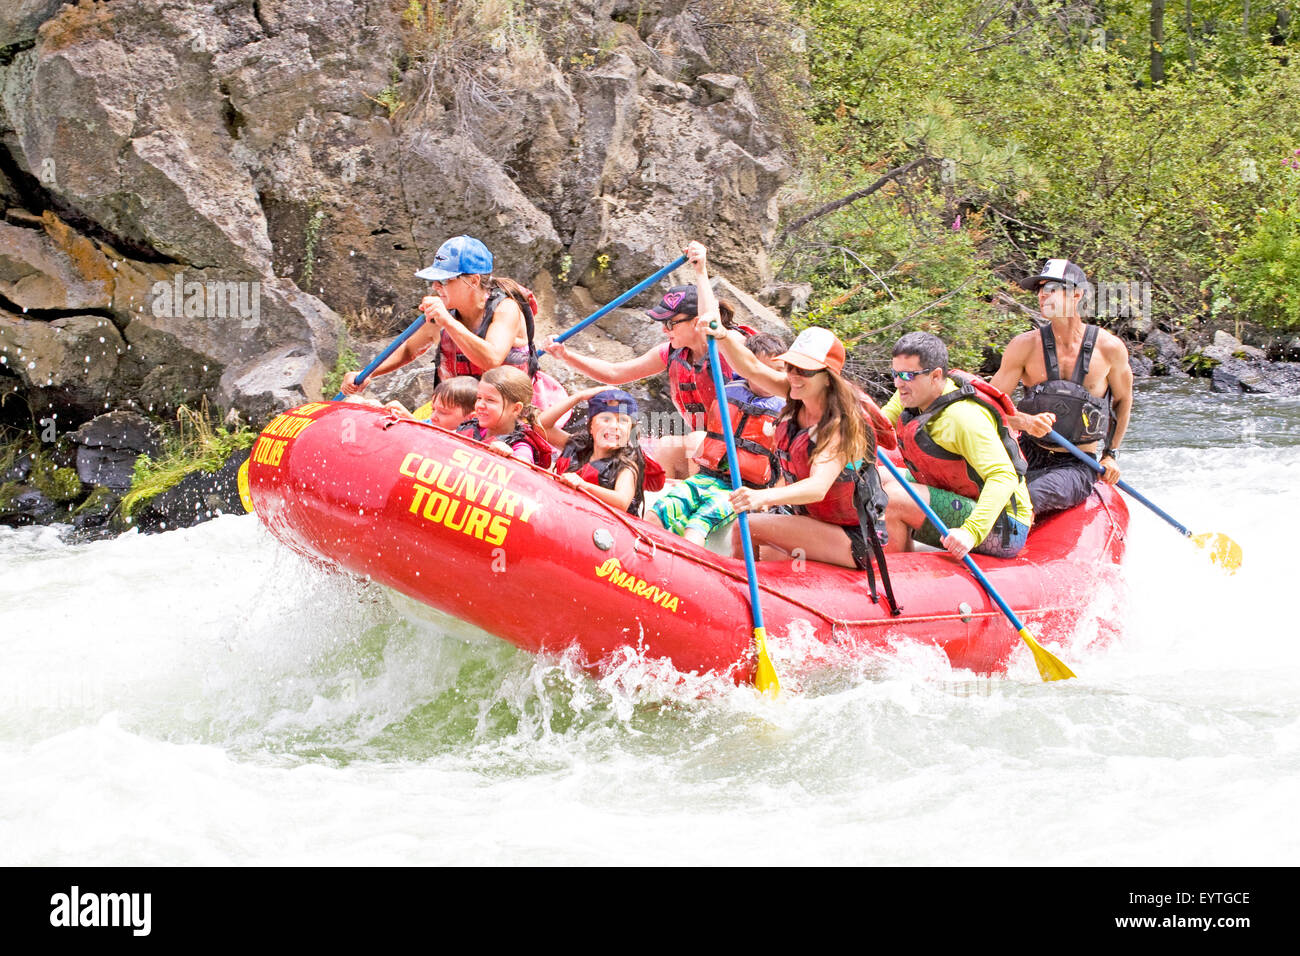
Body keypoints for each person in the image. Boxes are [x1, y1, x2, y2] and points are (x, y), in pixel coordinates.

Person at [544, 241, 738, 479]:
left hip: (739, 448)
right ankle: (671, 501)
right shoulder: (672, 353)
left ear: (696, 322)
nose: (665, 330)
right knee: (667, 445)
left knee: (697, 440)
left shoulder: (728, 344)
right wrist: (565, 355)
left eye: (670, 323)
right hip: (709, 445)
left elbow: (712, 323)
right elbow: (614, 374)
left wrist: (701, 271)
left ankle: (703, 497)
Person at [711, 324, 892, 578]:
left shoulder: (841, 425)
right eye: (790, 367)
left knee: (747, 527)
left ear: (828, 377)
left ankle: (737, 587)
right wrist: (721, 335)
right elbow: (751, 368)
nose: (794, 376)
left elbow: (818, 487)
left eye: (804, 370)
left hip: (854, 538)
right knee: (768, 554)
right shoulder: (797, 393)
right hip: (810, 521)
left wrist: (763, 497)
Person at [989, 258, 1134, 514]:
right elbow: (986, 406)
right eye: (1040, 290)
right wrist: (1024, 421)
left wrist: (1110, 454)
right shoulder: (1023, 346)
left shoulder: (1110, 349)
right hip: (1026, 452)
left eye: (1052, 289)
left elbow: (1122, 401)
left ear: (1077, 294)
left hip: (1076, 462)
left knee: (1026, 499)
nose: (1042, 296)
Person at [880, 332, 1033, 560]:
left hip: (1004, 527)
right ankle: (896, 546)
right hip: (956, 493)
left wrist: (970, 532)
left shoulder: (963, 418)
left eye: (907, 375)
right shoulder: (911, 394)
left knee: (892, 497)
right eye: (895, 373)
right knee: (878, 477)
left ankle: (894, 571)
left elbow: (1004, 476)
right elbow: (878, 426)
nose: (898, 383)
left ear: (935, 376)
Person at [339, 235, 541, 395]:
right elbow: (408, 350)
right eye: (435, 280)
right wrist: (367, 373)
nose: (435, 286)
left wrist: (448, 322)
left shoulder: (506, 309)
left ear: (473, 280)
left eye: (444, 280)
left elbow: (491, 359)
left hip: (506, 416)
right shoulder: (444, 314)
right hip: (463, 414)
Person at [652, 332, 787, 546]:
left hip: (743, 490)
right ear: (748, 368)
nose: (770, 376)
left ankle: (689, 558)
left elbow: (786, 465)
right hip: (707, 477)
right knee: (657, 512)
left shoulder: (786, 412)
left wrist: (769, 500)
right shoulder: (730, 393)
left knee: (697, 524)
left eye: (778, 371)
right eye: (763, 369)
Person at [540, 387, 648, 515]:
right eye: (606, 419)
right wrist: (579, 397)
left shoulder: (626, 465)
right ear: (591, 426)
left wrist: (583, 485)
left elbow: (622, 501)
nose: (614, 426)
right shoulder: (578, 446)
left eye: (623, 421)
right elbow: (541, 425)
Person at [456, 366, 553, 467]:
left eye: (490, 400)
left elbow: (523, 466)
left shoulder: (520, 447)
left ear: (516, 409)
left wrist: (509, 458)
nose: (480, 405)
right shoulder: (469, 427)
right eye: (479, 398)